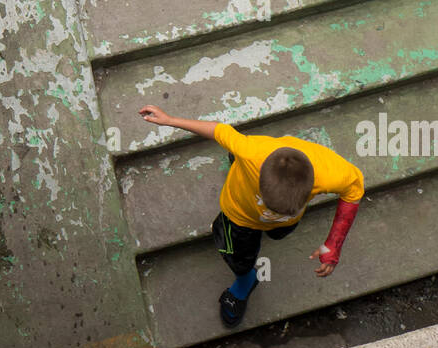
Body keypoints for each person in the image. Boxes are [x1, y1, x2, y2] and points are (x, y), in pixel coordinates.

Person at [138, 105, 364, 328]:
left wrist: (334, 244)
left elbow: (354, 189)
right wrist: (170, 120)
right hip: (238, 216)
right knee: (235, 254)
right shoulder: (249, 151)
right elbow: (218, 130)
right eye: (270, 205)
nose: (272, 212)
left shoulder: (331, 173)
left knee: (278, 233)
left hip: (285, 222)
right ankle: (246, 280)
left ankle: (277, 227)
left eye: (284, 209)